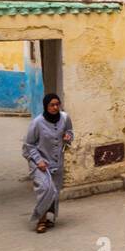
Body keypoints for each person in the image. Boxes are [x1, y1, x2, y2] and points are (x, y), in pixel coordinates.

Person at [22, 93, 73, 233]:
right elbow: (29, 145)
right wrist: (38, 161)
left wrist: (68, 137)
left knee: (54, 192)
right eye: (52, 105)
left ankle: (47, 218)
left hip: (57, 161)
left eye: (57, 104)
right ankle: (41, 220)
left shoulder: (65, 118)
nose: (55, 107)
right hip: (39, 162)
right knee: (46, 189)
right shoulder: (37, 122)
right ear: (46, 106)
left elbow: (69, 131)